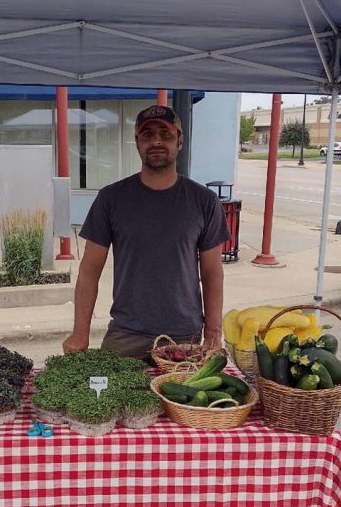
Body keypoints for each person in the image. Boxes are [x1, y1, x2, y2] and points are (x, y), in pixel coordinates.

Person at [62, 104, 230, 362]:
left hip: (184, 337)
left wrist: (214, 332)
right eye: (147, 134)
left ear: (180, 141)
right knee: (109, 399)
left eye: (165, 134)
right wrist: (79, 333)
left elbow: (212, 273)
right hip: (125, 334)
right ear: (137, 142)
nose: (156, 141)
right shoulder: (111, 198)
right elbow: (89, 271)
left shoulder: (204, 201)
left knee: (181, 402)